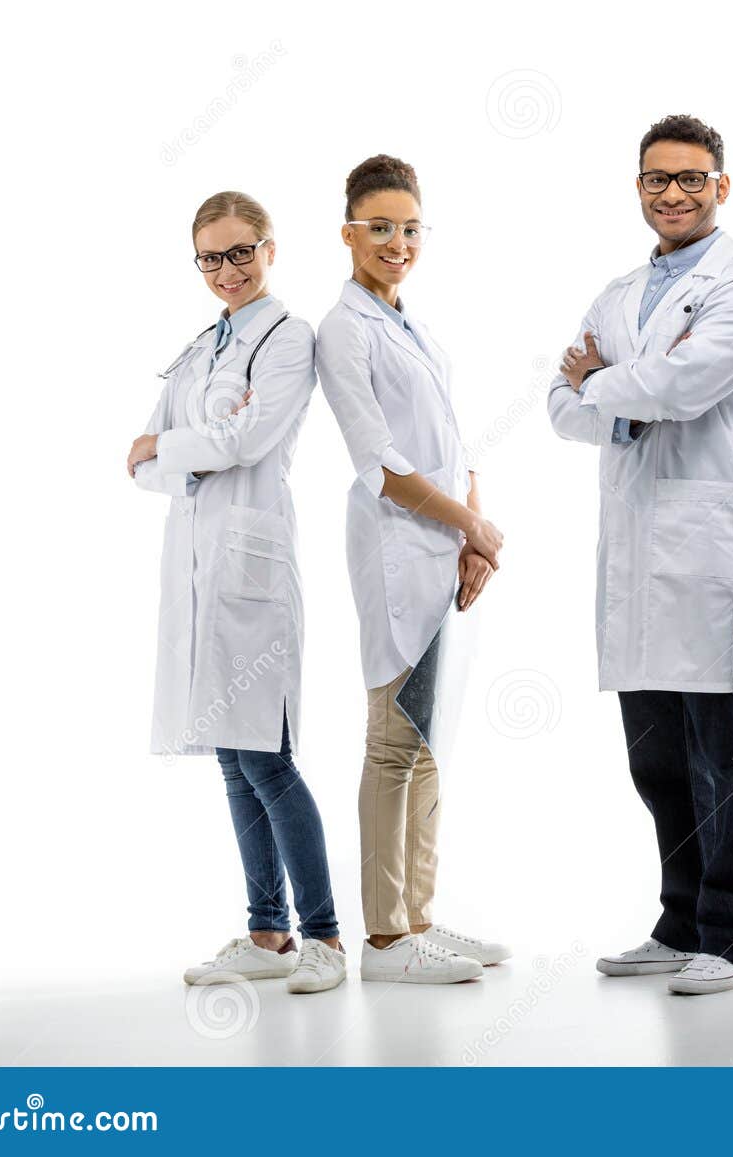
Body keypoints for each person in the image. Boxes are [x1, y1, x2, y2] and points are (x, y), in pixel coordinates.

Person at [548, 114, 733, 995]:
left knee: (727, 756)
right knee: (658, 760)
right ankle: (681, 919)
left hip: (705, 545)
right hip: (634, 554)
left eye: (690, 178)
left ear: (722, 185)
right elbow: (557, 407)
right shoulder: (616, 293)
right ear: (638, 188)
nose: (673, 193)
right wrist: (617, 394)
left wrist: (599, 385)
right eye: (657, 179)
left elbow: (685, 386)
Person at [128, 190, 345, 995]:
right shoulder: (201, 347)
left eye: (241, 251)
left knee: (267, 756)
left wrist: (176, 445)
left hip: (251, 562)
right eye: (212, 257)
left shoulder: (289, 338)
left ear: (271, 248)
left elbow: (248, 439)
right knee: (231, 756)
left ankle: (322, 935)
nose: (228, 269)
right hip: (196, 564)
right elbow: (143, 461)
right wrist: (188, 448)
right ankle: (266, 929)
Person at [316, 154, 510, 985]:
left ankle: (419, 920)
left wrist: (472, 535)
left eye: (410, 228)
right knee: (393, 743)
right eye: (381, 228)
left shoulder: (411, 324)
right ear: (348, 233)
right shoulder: (344, 328)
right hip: (398, 550)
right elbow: (381, 464)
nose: (398, 242)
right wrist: (473, 524)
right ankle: (385, 940)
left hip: (444, 551)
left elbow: (455, 443)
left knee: (428, 744)